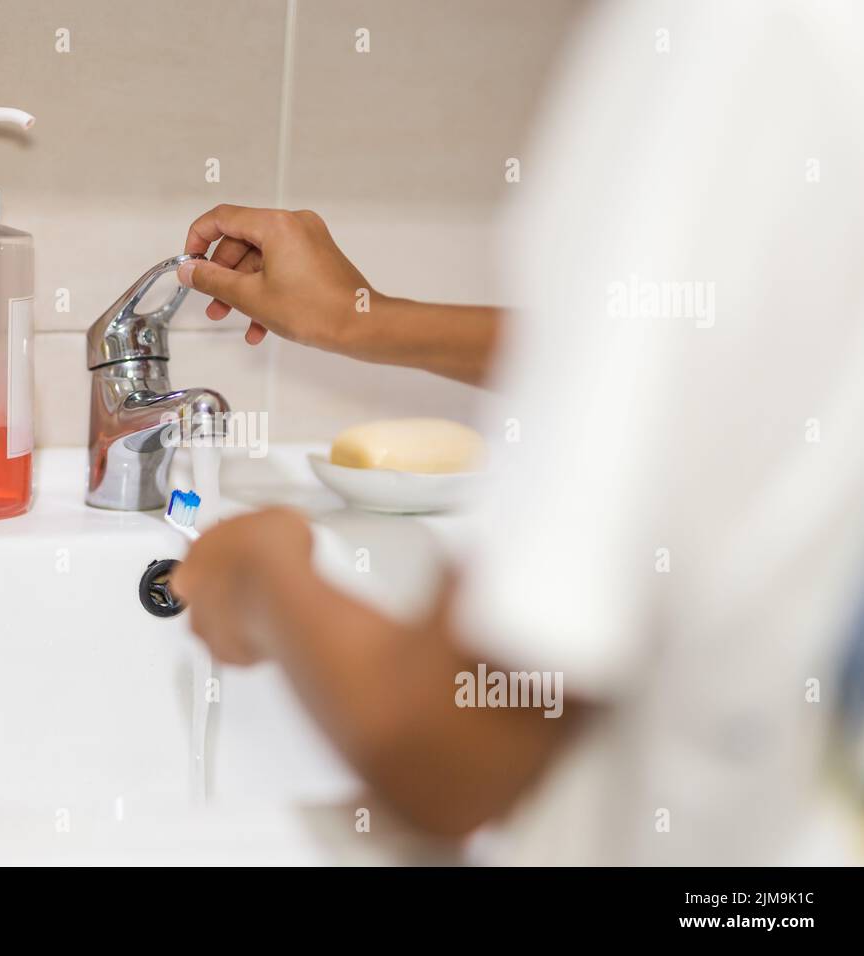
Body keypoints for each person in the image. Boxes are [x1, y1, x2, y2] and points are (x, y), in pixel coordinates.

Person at [169, 0, 864, 865]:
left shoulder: (746, 33)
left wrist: (260, 572)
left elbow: (455, 750)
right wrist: (364, 320)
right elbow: (739, 373)